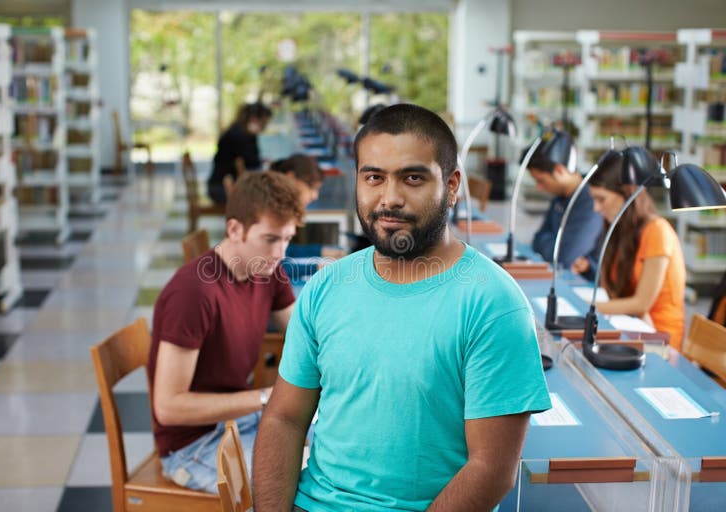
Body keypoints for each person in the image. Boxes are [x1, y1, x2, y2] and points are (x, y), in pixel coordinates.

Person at [253, 103, 551, 511]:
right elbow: (284, 419)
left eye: (412, 178)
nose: (389, 198)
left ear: (450, 186)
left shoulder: (494, 304)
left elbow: (492, 469)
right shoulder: (328, 287)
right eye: (373, 177)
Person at [148, 171, 304, 493]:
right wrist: (264, 398)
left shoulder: (266, 269)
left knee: (338, 451)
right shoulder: (194, 292)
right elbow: (167, 407)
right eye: (271, 239)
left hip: (239, 422)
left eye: (287, 239)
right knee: (285, 488)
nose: (281, 253)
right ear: (235, 229)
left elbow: (303, 334)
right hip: (191, 447)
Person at [570, 159, 686, 350]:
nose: (596, 209)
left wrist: (586, 305)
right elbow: (611, 291)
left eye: (601, 199)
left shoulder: (658, 231)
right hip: (629, 325)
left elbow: (641, 303)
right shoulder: (618, 231)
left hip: (659, 338)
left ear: (628, 195)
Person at [525, 129, 604, 269]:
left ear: (560, 170)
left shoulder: (591, 200)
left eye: (541, 181)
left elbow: (565, 258)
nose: (539, 187)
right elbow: (537, 239)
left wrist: (549, 243)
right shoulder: (560, 197)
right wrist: (551, 244)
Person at [207, 102, 272, 204]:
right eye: (263, 123)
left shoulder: (248, 135)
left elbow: (251, 161)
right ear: (254, 118)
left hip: (227, 185)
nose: (264, 127)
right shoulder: (237, 136)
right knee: (263, 200)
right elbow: (241, 171)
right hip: (221, 188)